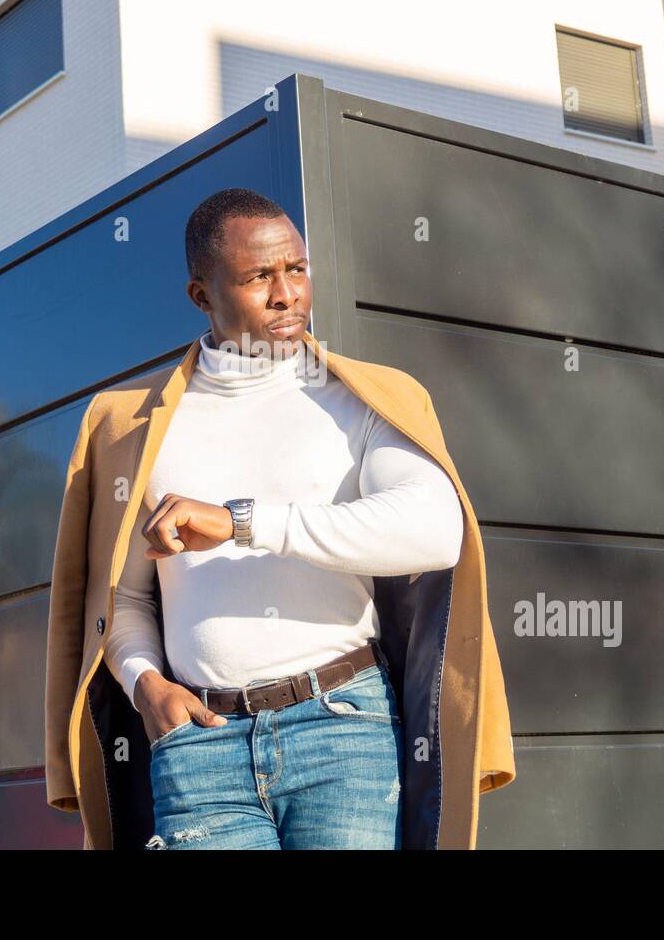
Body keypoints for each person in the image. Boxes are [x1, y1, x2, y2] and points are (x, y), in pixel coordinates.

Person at [45, 187, 516, 850]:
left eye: (296, 269)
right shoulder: (133, 426)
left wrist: (245, 522)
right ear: (201, 296)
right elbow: (122, 597)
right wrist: (147, 685)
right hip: (199, 740)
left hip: (342, 729)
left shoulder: (361, 401)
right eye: (257, 277)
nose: (287, 294)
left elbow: (435, 529)